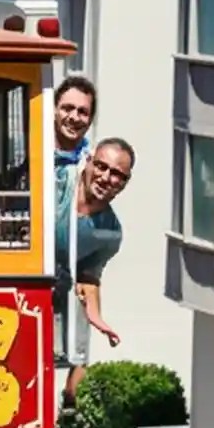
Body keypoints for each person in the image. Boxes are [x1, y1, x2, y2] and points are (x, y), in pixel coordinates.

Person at [57, 138, 131, 408]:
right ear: (88, 162)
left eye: (117, 175)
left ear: (124, 184)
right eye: (101, 166)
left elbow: (88, 277)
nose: (106, 177)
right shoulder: (57, 184)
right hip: (15, 279)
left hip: (54, 293)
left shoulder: (109, 233)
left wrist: (97, 318)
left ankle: (69, 409)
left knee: (80, 347)